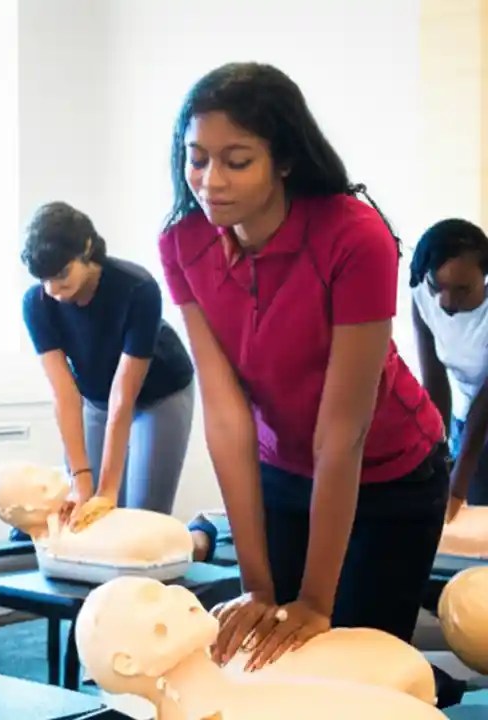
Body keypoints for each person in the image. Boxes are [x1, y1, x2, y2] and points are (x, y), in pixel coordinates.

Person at [157, 63, 447, 671]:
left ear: (285, 159)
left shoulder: (355, 236)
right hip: (283, 469)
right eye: (196, 159)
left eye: (237, 161)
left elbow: (344, 431)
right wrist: (257, 587)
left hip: (389, 473)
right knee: (271, 655)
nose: (210, 182)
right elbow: (226, 416)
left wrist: (315, 602)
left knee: (356, 669)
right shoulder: (183, 241)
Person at [20, 201, 195, 529]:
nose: (54, 290)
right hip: (96, 397)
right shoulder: (37, 303)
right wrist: (81, 479)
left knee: (141, 519)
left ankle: (200, 535)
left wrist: (108, 490)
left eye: (61, 275)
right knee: (85, 509)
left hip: (160, 393)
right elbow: (65, 394)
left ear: (86, 248)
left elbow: (123, 395)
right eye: (44, 279)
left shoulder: (137, 288)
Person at [409, 219, 488, 516]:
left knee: (472, 496)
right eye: (437, 285)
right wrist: (437, 454)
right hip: (466, 417)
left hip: (482, 415)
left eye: (462, 290)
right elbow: (435, 382)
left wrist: (458, 482)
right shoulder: (422, 296)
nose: (446, 302)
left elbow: (486, 403)